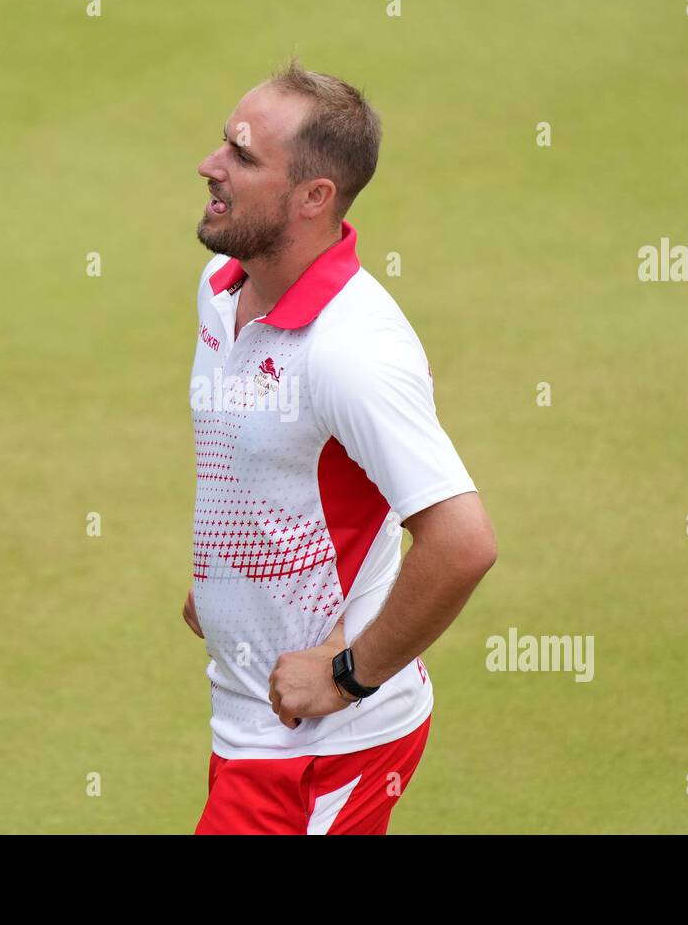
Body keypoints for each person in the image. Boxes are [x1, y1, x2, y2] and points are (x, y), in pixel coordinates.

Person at [185, 59, 498, 834]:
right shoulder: (222, 287)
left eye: (244, 157)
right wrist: (229, 588)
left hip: (325, 750)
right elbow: (295, 462)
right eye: (225, 143)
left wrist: (347, 676)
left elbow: (462, 543)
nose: (210, 165)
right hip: (254, 725)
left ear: (314, 198)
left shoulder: (352, 349)